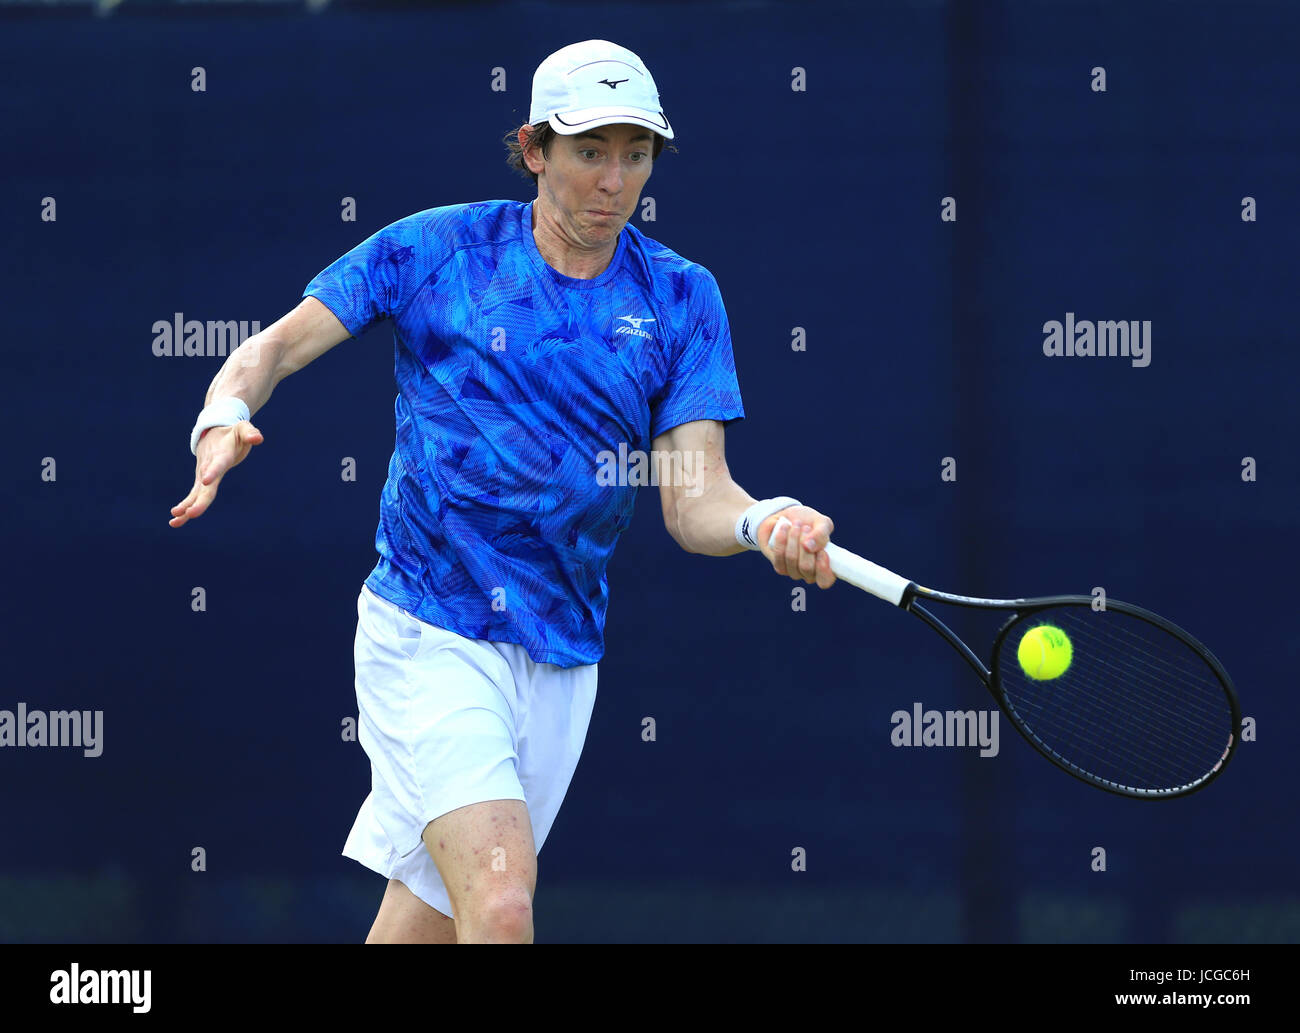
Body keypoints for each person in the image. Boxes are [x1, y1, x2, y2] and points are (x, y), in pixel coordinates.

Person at [169, 39, 836, 944]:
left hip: (562, 653)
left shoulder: (684, 298)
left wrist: (764, 522)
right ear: (534, 150)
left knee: (426, 925)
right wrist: (224, 409)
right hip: (429, 628)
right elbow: (275, 347)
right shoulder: (437, 247)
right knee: (501, 898)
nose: (614, 180)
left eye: (634, 154)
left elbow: (695, 497)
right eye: (589, 152)